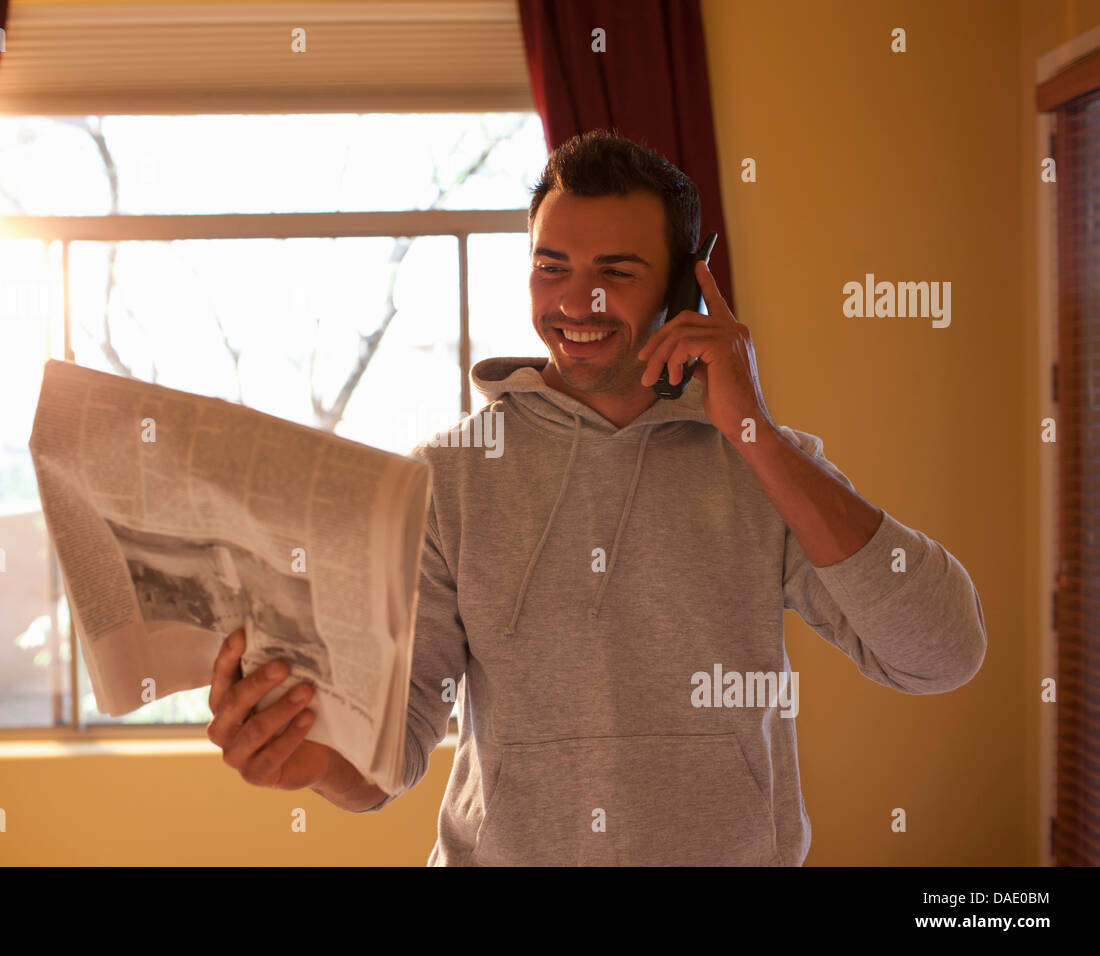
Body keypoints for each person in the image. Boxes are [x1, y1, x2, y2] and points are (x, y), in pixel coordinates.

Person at [205, 129, 987, 866]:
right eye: (552, 268)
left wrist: (754, 432)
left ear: (684, 289)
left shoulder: (762, 465)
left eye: (615, 272)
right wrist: (308, 763)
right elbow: (396, 754)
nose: (576, 303)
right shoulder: (449, 479)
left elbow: (941, 654)